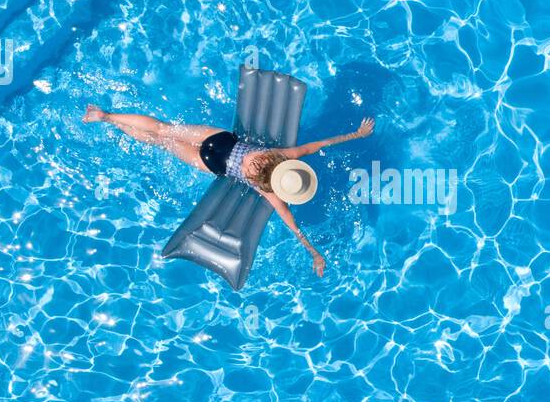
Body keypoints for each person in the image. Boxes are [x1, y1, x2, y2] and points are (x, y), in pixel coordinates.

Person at [83, 104, 374, 277]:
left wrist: (356, 134)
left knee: (163, 129)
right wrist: (314, 254)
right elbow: (292, 224)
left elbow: (319, 144)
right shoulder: (268, 191)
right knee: (162, 143)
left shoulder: (284, 154)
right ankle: (113, 124)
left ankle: (105, 115)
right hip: (211, 163)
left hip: (220, 141)